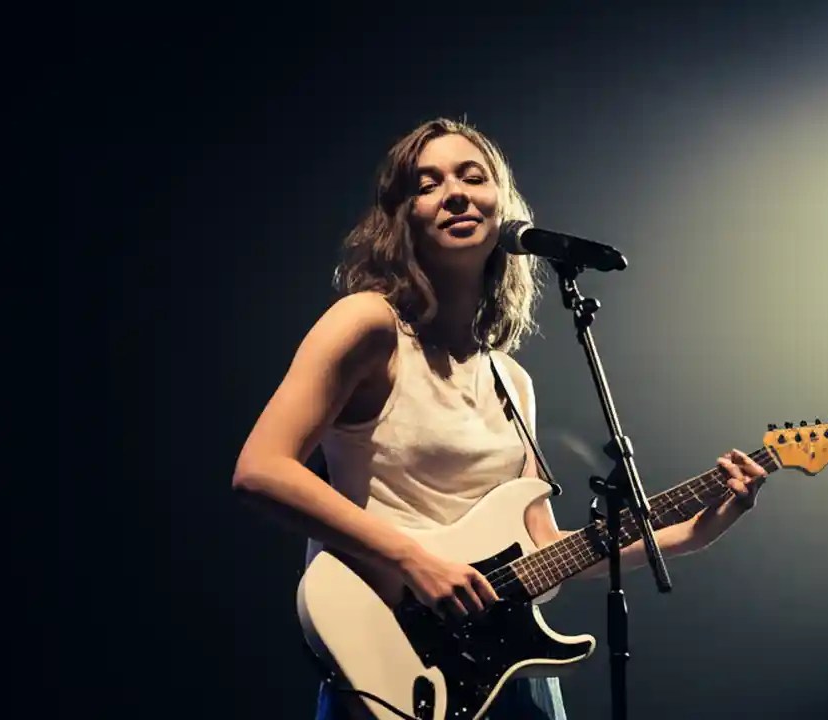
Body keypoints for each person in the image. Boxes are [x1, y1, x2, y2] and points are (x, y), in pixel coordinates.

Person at [231, 117, 769, 720]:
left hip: (507, 669)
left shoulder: (512, 381)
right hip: (393, 657)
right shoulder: (368, 325)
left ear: (503, 205)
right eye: (426, 184)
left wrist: (696, 531)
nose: (454, 192)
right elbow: (261, 470)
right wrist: (414, 560)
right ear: (401, 216)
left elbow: (545, 548)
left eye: (472, 175)